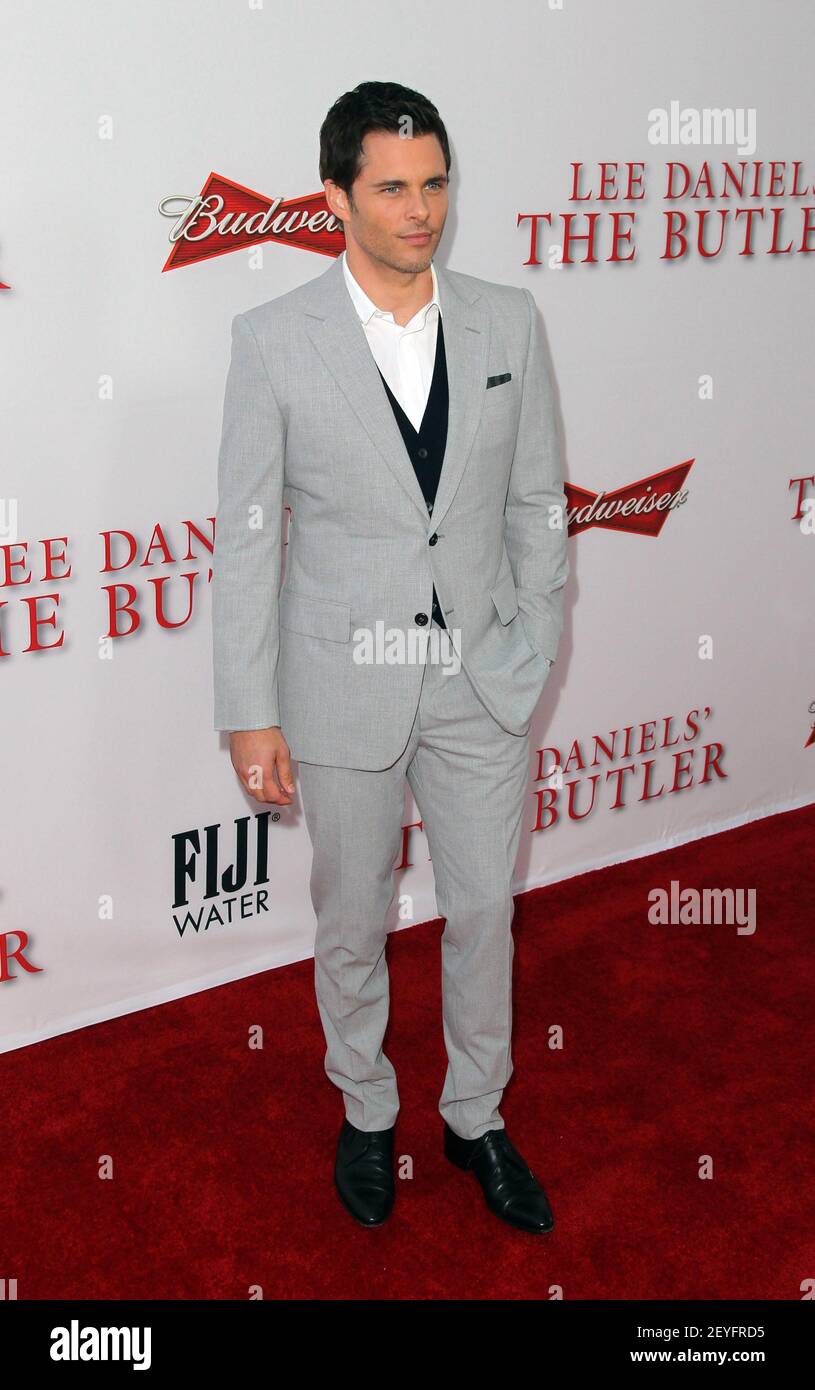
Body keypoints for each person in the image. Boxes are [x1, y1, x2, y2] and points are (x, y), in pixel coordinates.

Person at [211, 80, 569, 1233]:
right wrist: (247, 710)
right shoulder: (270, 343)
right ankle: (366, 1108)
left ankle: (475, 1115)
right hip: (337, 683)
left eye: (436, 184)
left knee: (480, 914)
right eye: (393, 188)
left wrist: (531, 645)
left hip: (480, 680)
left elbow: (536, 508)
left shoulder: (506, 321)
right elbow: (250, 539)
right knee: (351, 917)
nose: (422, 211)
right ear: (336, 197)